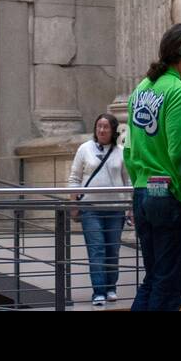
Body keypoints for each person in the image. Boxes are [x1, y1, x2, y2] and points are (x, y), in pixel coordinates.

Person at [124, 23, 181, 311]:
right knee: (170, 285)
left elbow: (129, 150)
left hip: (144, 192)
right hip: (170, 197)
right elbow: (177, 151)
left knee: (155, 278)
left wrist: (140, 182)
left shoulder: (141, 88)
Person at [69, 112, 131, 307]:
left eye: (106, 127)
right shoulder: (84, 149)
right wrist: (73, 203)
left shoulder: (121, 151)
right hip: (91, 209)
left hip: (115, 209)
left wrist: (130, 207)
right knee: (96, 250)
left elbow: (128, 180)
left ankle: (111, 287)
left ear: (113, 130)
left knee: (113, 250)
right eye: (99, 126)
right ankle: (99, 291)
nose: (102, 130)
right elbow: (75, 178)